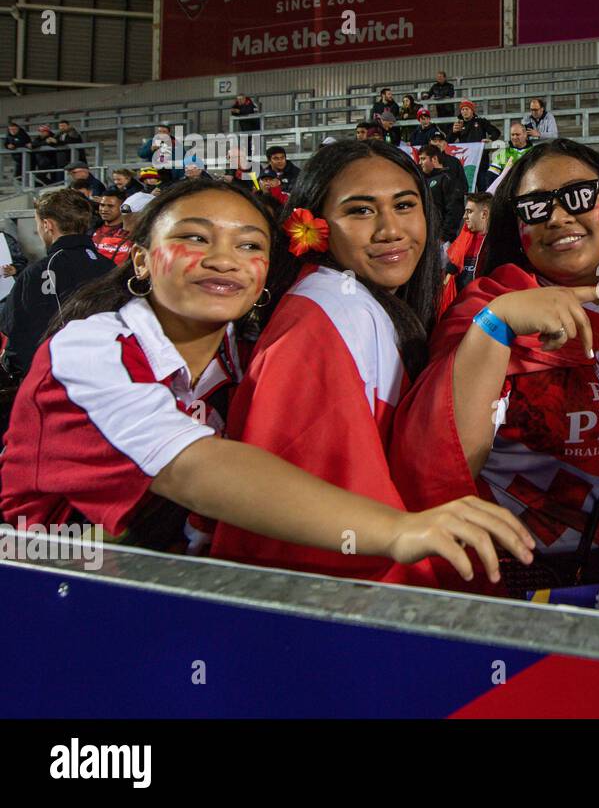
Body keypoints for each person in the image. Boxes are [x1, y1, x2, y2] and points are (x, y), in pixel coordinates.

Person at [1, 178, 531, 582]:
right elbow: (191, 468)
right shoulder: (90, 348)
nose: (224, 260)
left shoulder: (248, 354)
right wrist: (395, 529)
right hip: (47, 597)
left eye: (250, 246)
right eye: (194, 237)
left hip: (163, 604)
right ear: (140, 258)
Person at [207, 139, 533, 585]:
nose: (390, 230)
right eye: (360, 211)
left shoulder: (355, 303)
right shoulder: (327, 317)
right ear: (315, 226)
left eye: (404, 205)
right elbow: (315, 520)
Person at [390, 139, 599, 592]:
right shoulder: (482, 311)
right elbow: (439, 464)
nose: (557, 217)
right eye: (535, 207)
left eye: (578, 196)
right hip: (516, 576)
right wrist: (497, 328)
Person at [0, 189, 114, 379]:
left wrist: (11, 365)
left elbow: (21, 340)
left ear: (47, 225)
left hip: (56, 381)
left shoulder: (38, 272)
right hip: (108, 375)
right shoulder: (110, 267)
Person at [480, 123, 532, 192]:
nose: (514, 137)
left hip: (528, 191)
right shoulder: (504, 153)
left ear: (525, 135)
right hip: (508, 192)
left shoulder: (533, 152)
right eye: (512, 135)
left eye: (517, 134)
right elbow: (491, 176)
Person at [92, 190, 134, 264]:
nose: (104, 209)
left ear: (122, 207)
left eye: (110, 206)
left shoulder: (130, 233)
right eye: (102, 205)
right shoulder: (91, 229)